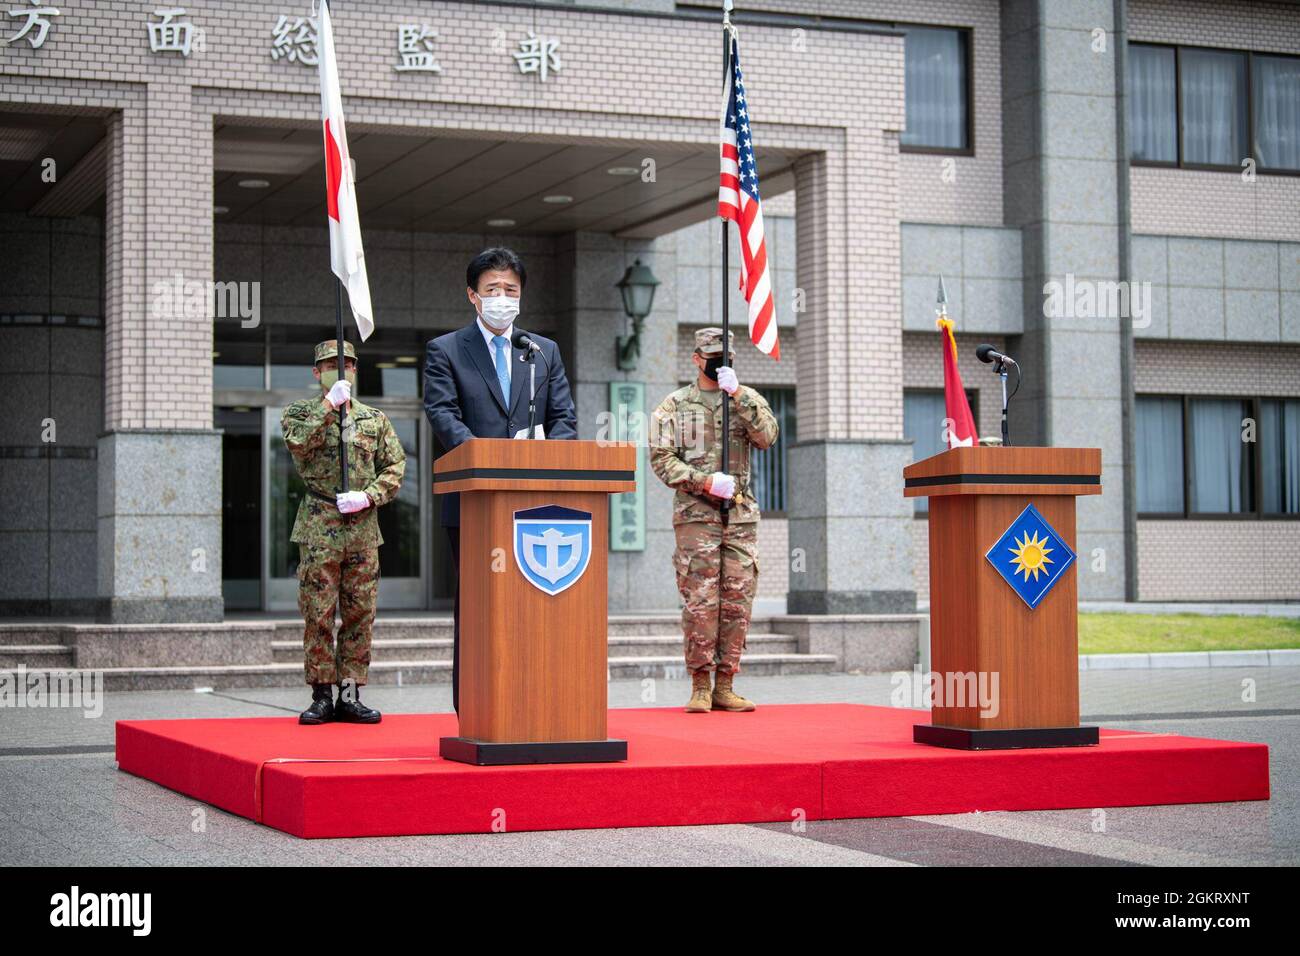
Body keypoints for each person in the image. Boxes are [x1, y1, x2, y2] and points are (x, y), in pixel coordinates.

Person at [422, 247, 578, 712]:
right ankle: (474, 703)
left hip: (536, 501)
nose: (502, 298)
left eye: (511, 290)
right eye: (492, 290)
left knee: (531, 602)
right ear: (473, 296)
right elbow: (443, 414)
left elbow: (564, 418)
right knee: (480, 605)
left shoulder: (542, 351)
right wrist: (485, 460)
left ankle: (532, 698)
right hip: (475, 500)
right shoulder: (446, 350)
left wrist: (548, 459)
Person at [649, 328, 779, 713]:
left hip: (740, 516)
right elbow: (661, 459)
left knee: (737, 601)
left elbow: (767, 436)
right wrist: (704, 481)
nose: (719, 360)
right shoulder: (674, 405)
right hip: (696, 517)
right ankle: (700, 684)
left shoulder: (746, 398)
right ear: (696, 358)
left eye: (726, 355)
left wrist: (738, 394)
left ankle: (726, 683)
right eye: (711, 354)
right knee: (701, 603)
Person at [281, 339, 406, 725]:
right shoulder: (300, 413)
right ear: (317, 373)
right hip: (320, 522)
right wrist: (328, 406)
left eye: (348, 365)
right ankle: (321, 696)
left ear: (356, 371)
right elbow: (297, 443)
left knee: (359, 614)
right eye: (331, 366)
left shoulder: (374, 419)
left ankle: (350, 696)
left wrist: (369, 497)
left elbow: (395, 467)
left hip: (363, 528)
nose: (342, 370)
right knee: (318, 613)